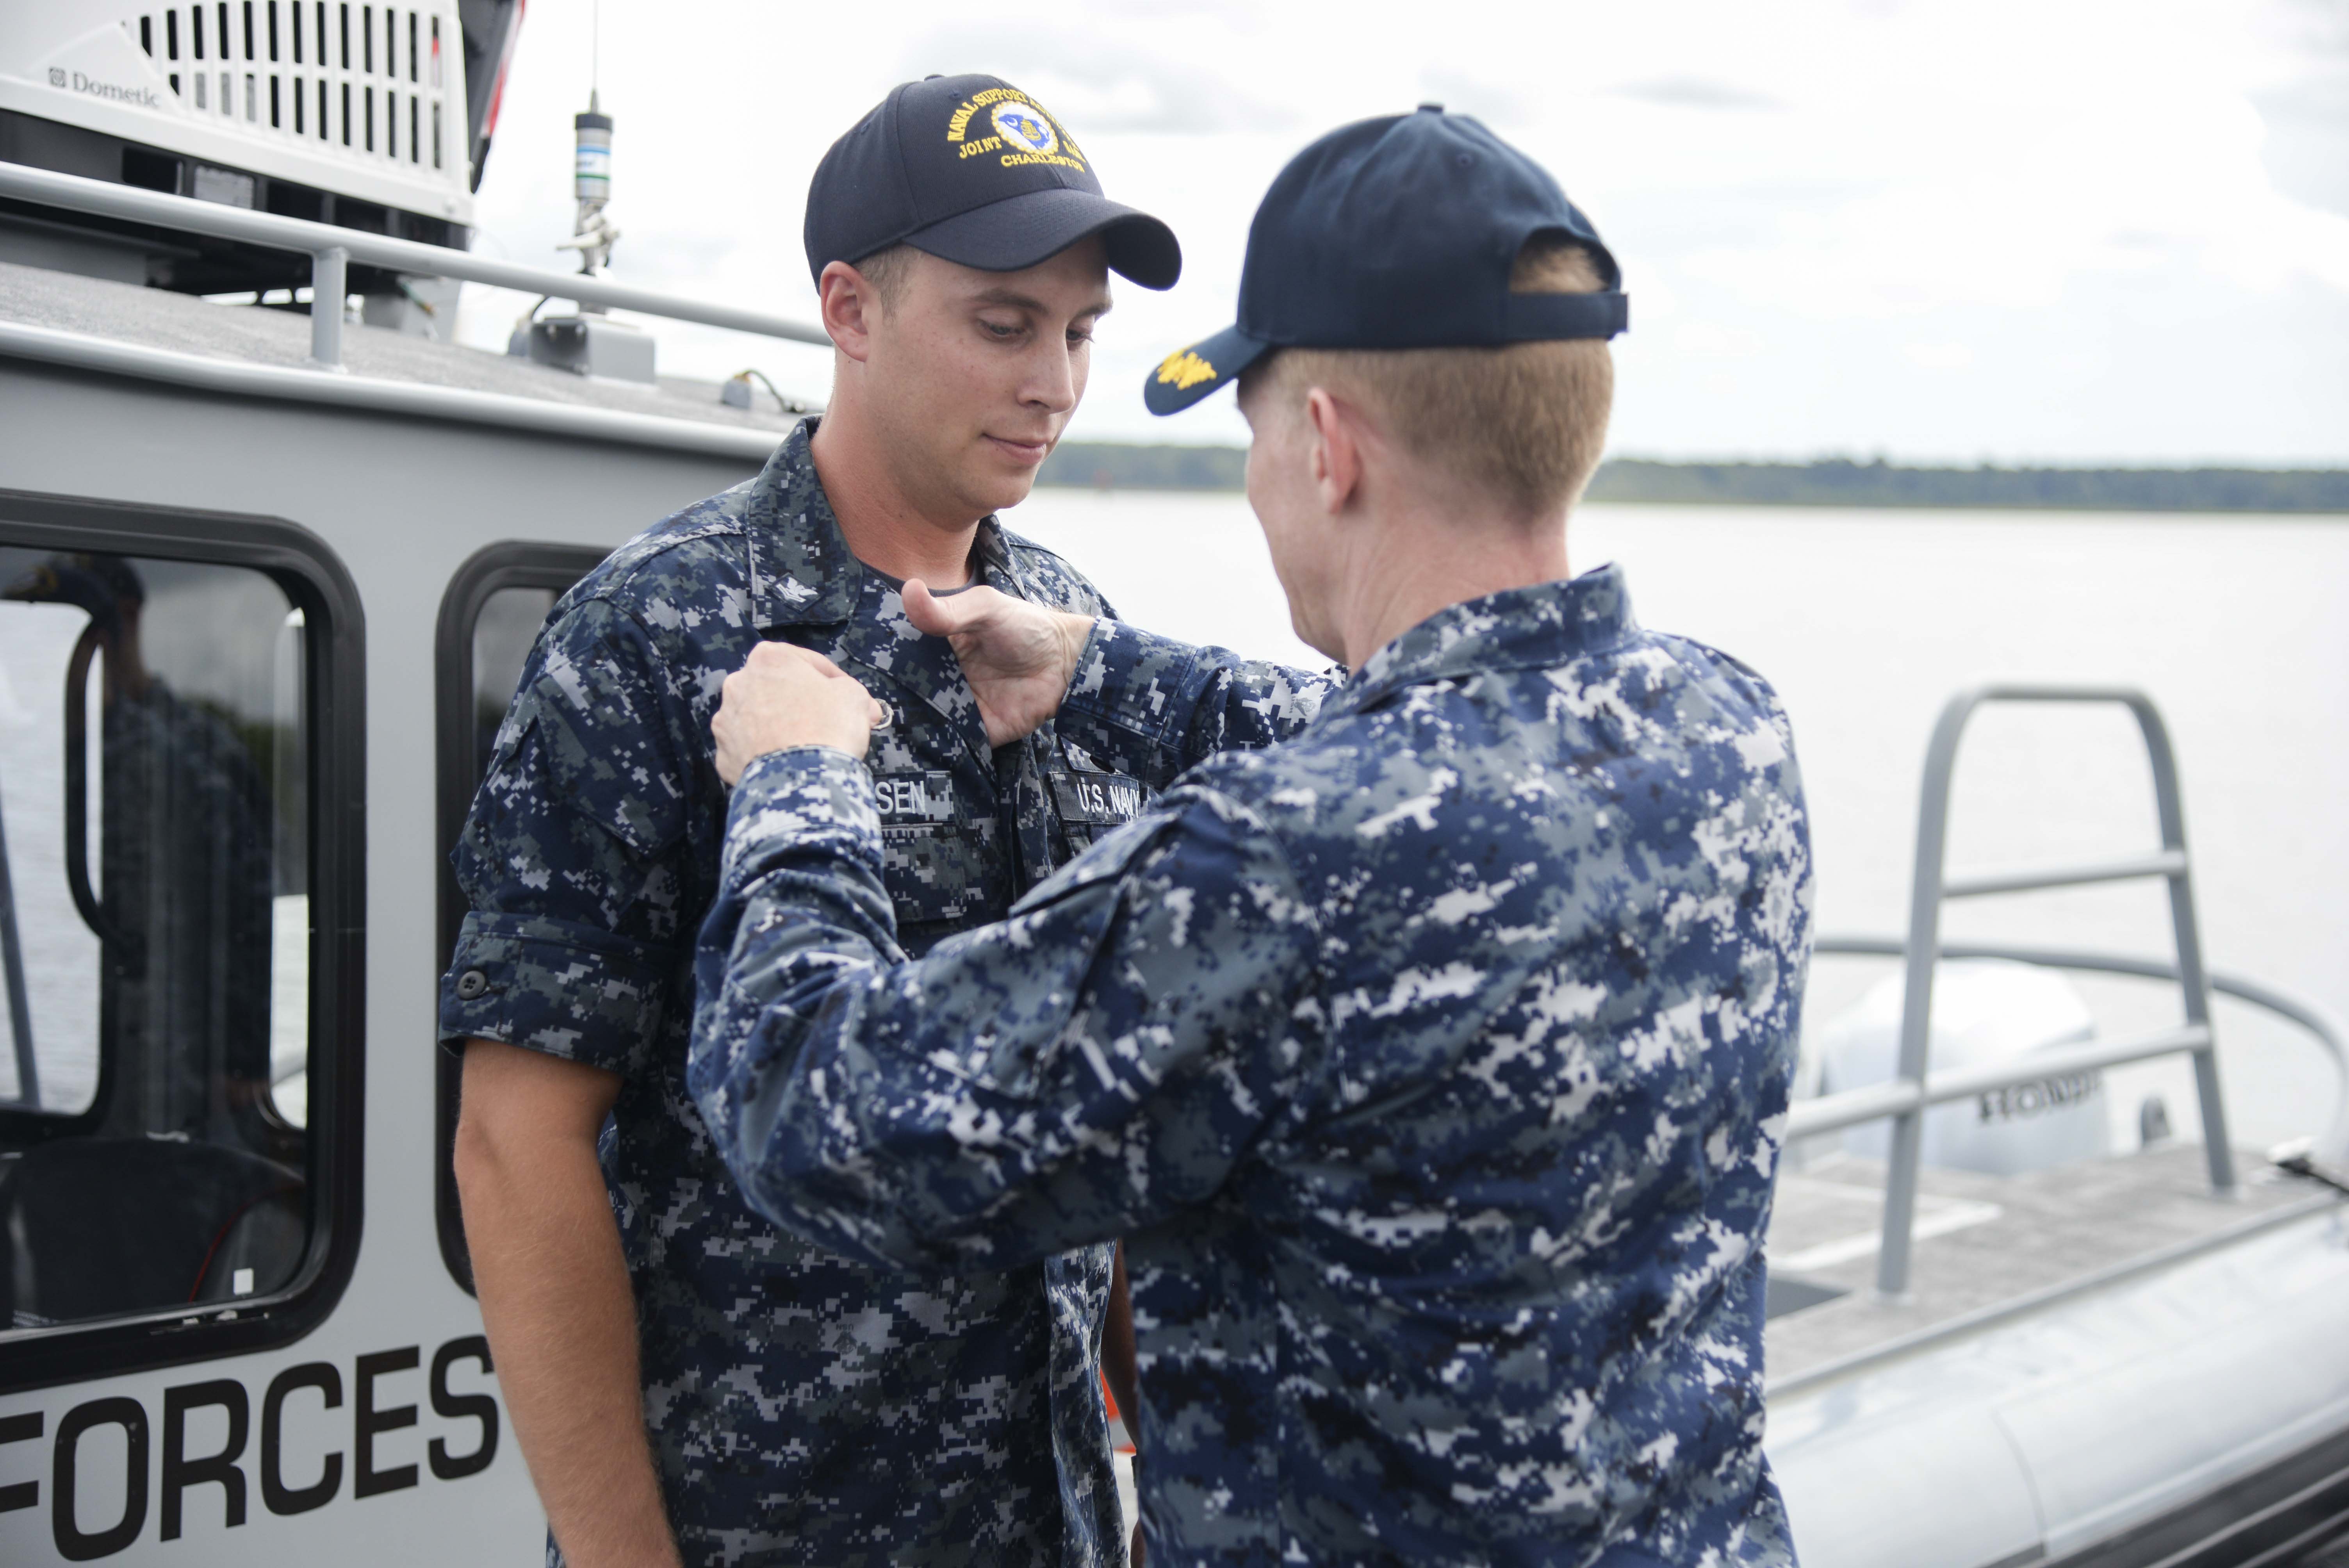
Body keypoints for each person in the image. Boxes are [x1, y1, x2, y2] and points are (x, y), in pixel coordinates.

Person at [688, 107, 1814, 1565]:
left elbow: (810, 1117)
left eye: (1255, 431)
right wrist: (1101, 671)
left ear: (1329, 446)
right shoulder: (1723, 729)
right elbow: (1416, 747)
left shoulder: (1277, 868)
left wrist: (795, 786)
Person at [440, 73, 1305, 1567]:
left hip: (1050, 1521)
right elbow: (518, 1145)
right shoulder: (655, 635)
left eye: (1081, 332)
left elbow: (1102, 1117)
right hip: (763, 1527)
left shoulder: (1079, 637)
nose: (1055, 383)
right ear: (851, 309)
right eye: (1004, 324)